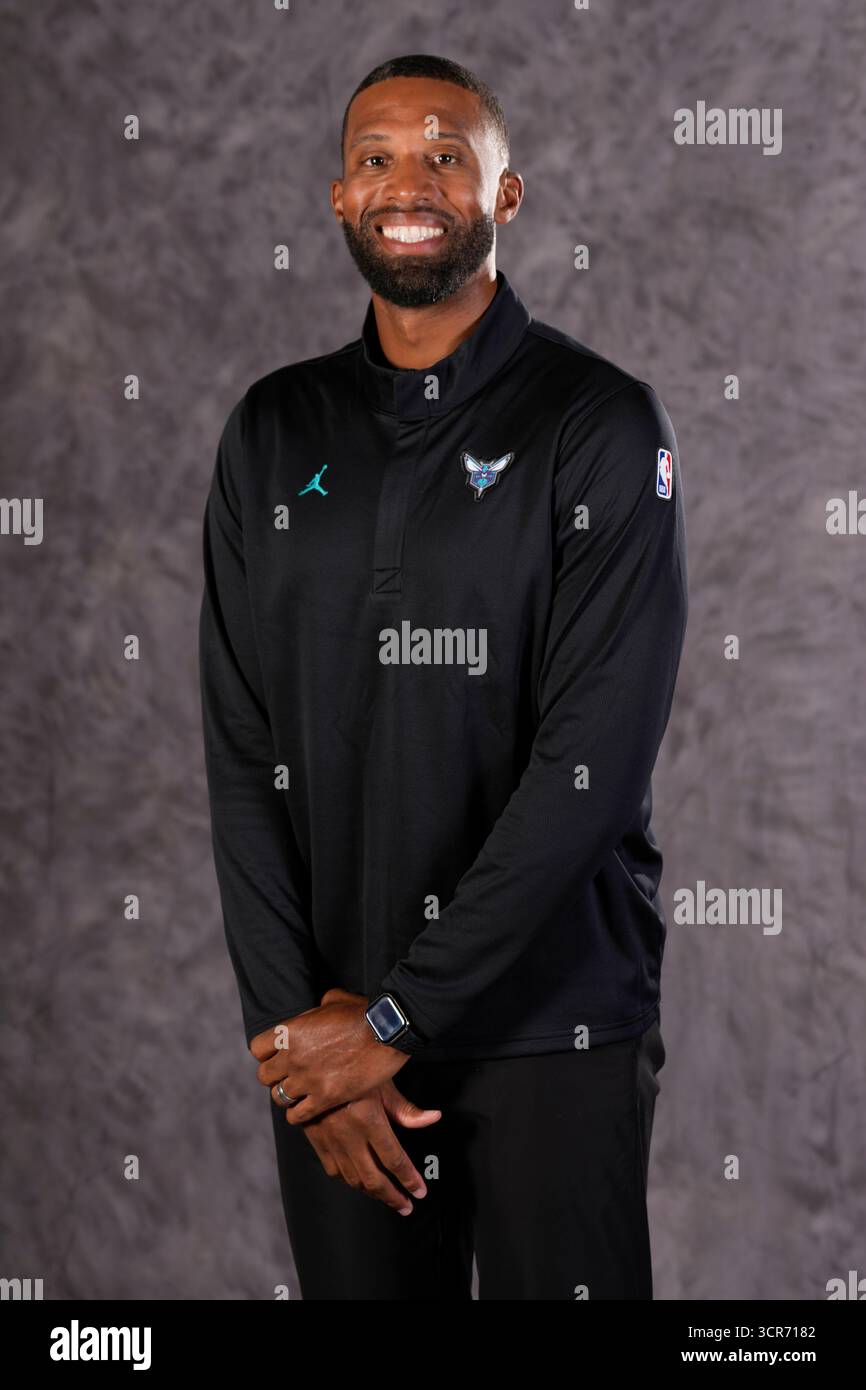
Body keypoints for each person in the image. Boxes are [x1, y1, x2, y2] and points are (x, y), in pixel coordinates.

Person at [198, 52, 688, 1300]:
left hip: (549, 1025)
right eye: (375, 159)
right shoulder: (271, 429)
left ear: (504, 195)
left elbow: (589, 771)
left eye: (442, 154)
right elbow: (241, 755)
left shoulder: (600, 424)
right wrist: (297, 1047)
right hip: (333, 1023)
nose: (406, 182)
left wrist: (395, 1021)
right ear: (337, 197)